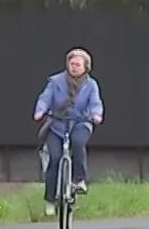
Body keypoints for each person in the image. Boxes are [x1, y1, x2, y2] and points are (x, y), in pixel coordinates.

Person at [32, 47, 103, 217]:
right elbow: (45, 97)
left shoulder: (90, 85)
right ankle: (50, 200)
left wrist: (96, 114)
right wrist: (40, 111)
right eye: (72, 64)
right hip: (57, 124)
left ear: (86, 67)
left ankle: (78, 180)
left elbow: (95, 102)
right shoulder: (55, 82)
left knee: (78, 143)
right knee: (55, 159)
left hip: (80, 122)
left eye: (78, 64)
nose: (74, 67)